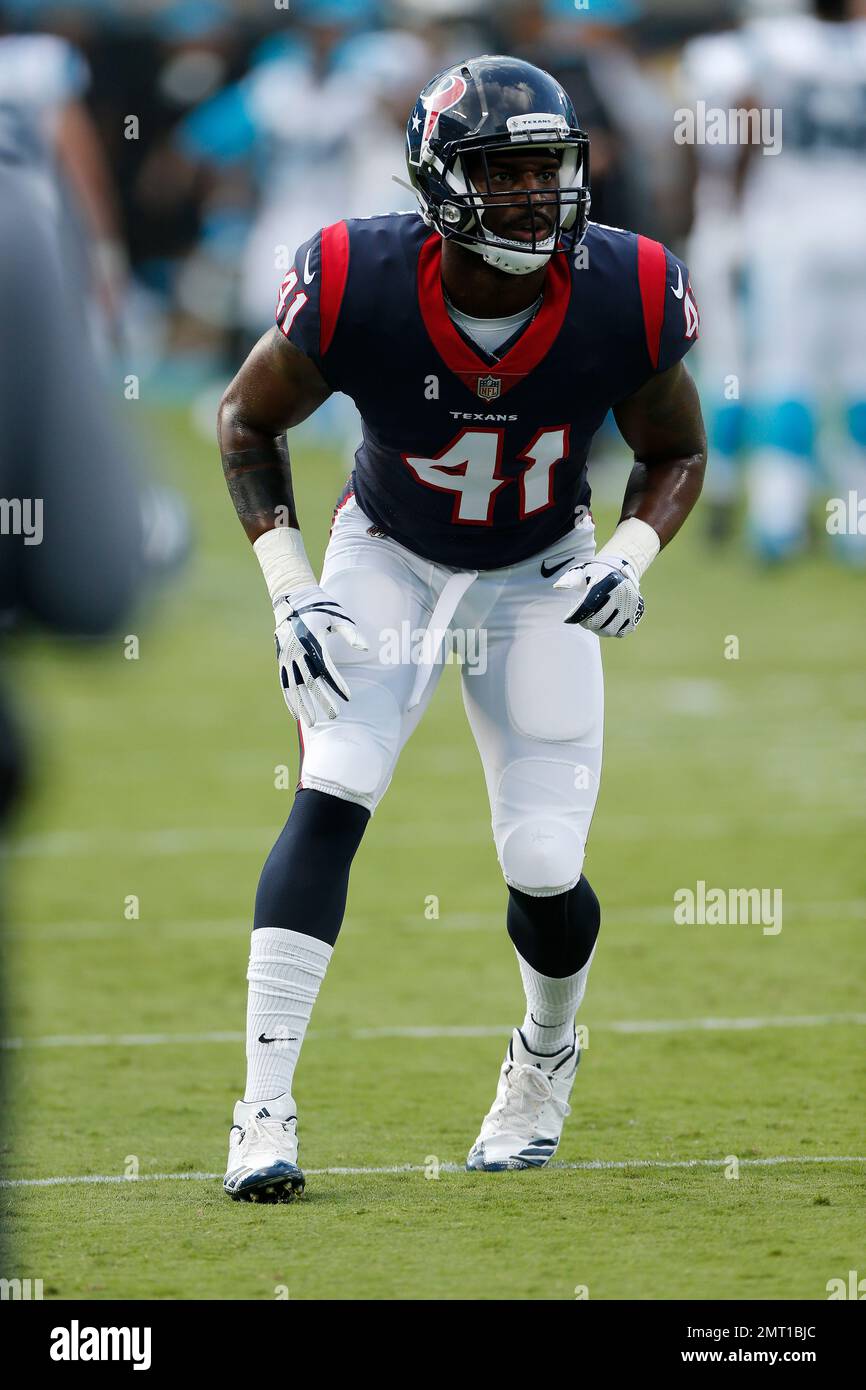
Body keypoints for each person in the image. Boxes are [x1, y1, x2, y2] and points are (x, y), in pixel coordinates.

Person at [218, 54, 706, 1200]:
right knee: (336, 775)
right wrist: (288, 581)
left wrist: (631, 552)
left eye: (549, 169)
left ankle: (542, 1054)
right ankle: (262, 1108)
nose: (535, 196)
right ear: (439, 182)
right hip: (383, 553)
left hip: (540, 570)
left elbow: (673, 447)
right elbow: (245, 419)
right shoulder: (355, 278)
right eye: (503, 171)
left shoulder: (622, 288)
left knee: (542, 858)